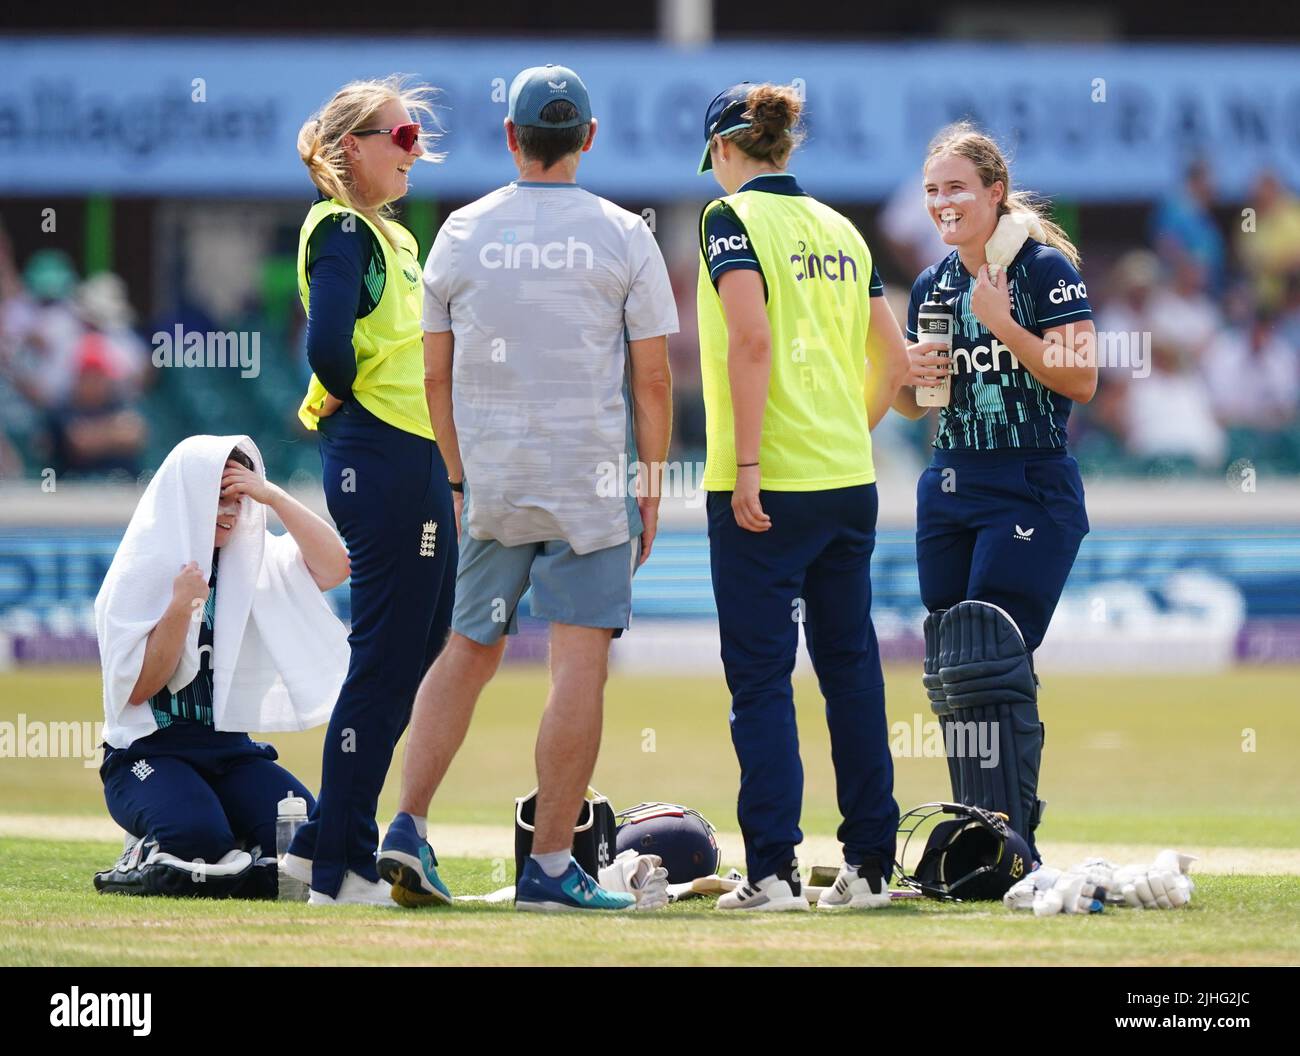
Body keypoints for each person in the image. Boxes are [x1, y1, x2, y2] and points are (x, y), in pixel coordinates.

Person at [376, 64, 677, 913]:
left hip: (494, 479)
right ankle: (548, 867)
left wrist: (461, 477)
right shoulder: (624, 232)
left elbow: (434, 375)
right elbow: (653, 382)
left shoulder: (461, 233)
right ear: (587, 137)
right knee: (578, 666)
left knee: (468, 651)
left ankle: (405, 826)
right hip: (588, 482)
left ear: (511, 138)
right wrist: (649, 485)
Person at [695, 82, 909, 911]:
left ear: (724, 150)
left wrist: (748, 464)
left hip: (767, 487)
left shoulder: (729, 219)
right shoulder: (843, 229)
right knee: (852, 672)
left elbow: (749, 339)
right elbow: (895, 365)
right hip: (848, 482)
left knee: (760, 681)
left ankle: (775, 875)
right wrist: (842, 433)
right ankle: (869, 869)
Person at [892, 122, 1098, 862]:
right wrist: (909, 380)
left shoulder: (1043, 270)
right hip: (950, 484)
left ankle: (1012, 837)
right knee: (955, 666)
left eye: (955, 188)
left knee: (990, 655)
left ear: (994, 193)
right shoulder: (932, 282)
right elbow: (922, 404)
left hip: (1030, 482)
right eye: (931, 191)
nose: (942, 202)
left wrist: (1004, 323)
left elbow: (1080, 377)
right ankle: (983, 830)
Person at [282, 76, 458, 906]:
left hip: (408, 452)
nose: (413, 150)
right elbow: (327, 346)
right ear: (353, 147)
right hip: (382, 454)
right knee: (386, 658)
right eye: (401, 135)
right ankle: (339, 866)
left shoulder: (385, 233)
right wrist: (344, 394)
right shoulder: (343, 226)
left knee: (415, 648)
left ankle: (322, 840)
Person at [93, 436, 350, 898]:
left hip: (229, 750)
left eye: (238, 499)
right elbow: (138, 689)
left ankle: (228, 838)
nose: (230, 511)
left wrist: (272, 495)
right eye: (218, 498)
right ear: (187, 495)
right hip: (147, 753)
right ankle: (145, 849)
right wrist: (180, 607)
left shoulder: (249, 560)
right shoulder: (139, 572)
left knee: (306, 838)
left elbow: (334, 566)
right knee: (196, 842)